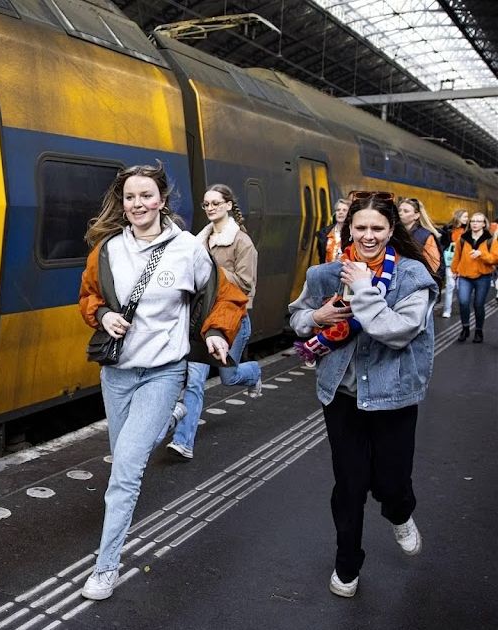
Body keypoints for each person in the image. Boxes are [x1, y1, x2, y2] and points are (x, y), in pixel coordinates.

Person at [77, 163, 248, 600]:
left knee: (125, 472)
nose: (138, 204)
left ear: (162, 199)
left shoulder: (188, 249)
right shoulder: (108, 249)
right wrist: (102, 315)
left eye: (147, 196)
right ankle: (170, 418)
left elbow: (227, 295)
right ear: (123, 202)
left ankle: (105, 566)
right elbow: (89, 296)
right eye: (131, 197)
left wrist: (214, 332)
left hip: (163, 370)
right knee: (124, 456)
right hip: (116, 374)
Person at [289, 192, 436, 598]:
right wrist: (315, 317)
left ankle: (399, 512)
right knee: (349, 485)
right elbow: (298, 318)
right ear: (347, 228)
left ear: (392, 230)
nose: (368, 236)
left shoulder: (412, 277)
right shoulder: (324, 274)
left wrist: (365, 289)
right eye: (361, 227)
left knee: (391, 481)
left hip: (394, 397)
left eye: (378, 228)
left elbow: (398, 331)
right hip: (342, 396)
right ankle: (347, 564)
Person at [168, 184, 262, 461]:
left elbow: (246, 285)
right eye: (206, 204)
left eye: (216, 203)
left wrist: (211, 270)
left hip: (233, 319)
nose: (210, 208)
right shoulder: (200, 240)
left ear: (229, 205)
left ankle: (253, 373)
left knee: (228, 377)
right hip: (203, 320)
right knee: (194, 381)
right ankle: (183, 442)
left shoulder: (242, 243)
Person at [450, 212, 498, 343]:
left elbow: (495, 258)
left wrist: (481, 254)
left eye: (478, 221)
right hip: (465, 275)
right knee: (463, 302)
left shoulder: (490, 239)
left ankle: (478, 331)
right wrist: (454, 270)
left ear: (484, 224)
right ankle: (465, 328)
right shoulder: (463, 238)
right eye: (473, 221)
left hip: (483, 277)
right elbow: (457, 256)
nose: (475, 223)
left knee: (478, 304)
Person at [397, 198, 441, 273]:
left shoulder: (425, 235)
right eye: (399, 210)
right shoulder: (393, 233)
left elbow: (433, 264)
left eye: (406, 211)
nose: (400, 213)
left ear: (416, 215)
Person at [439, 209, 469, 318]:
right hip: (450, 261)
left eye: (467, 217)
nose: (467, 219)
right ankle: (447, 310)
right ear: (458, 217)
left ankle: (463, 309)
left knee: (461, 287)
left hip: (464, 262)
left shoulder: (468, 230)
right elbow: (442, 244)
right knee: (450, 286)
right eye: (465, 217)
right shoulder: (448, 229)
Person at [317, 199, 351, 264]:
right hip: (326, 271)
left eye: (344, 210)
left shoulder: (353, 234)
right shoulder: (325, 233)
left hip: (345, 272)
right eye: (338, 210)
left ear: (349, 213)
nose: (340, 212)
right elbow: (321, 256)